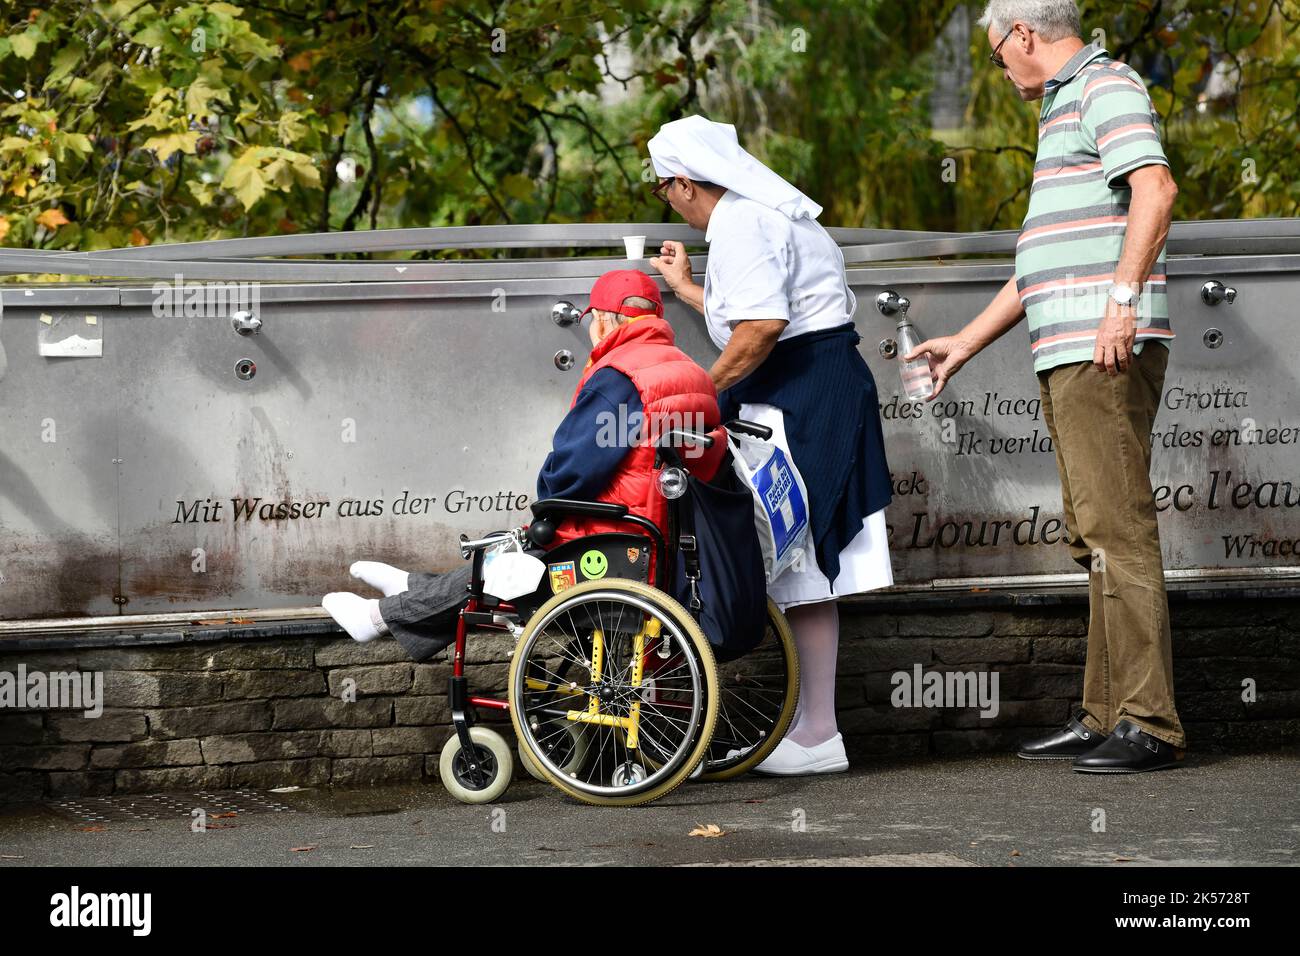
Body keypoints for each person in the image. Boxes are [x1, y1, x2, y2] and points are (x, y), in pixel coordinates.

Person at [906, 0, 1185, 773]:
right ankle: (1104, 714)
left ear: (1023, 35)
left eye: (998, 57)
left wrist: (1119, 307)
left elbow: (1155, 192)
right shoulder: (1064, 106)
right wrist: (962, 344)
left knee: (1116, 531)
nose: (1001, 71)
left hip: (1102, 350)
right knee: (1093, 536)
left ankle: (1149, 724)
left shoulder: (1105, 86)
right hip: (1069, 351)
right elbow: (1039, 263)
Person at [647, 115, 894, 776]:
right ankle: (816, 729)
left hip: (804, 395)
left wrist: (697, 391)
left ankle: (817, 734)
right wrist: (686, 290)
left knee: (798, 558)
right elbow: (757, 313)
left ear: (682, 183)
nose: (667, 203)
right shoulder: (763, 213)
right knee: (798, 564)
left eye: (662, 190)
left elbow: (761, 329)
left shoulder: (740, 224)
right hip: (811, 385)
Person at [322, 269, 726, 659]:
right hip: (670, 540)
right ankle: (413, 589)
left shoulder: (622, 377)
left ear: (603, 320)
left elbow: (574, 467)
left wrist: (548, 502)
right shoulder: (693, 374)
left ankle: (378, 617)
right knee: (514, 547)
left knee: (516, 555)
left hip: (621, 541)